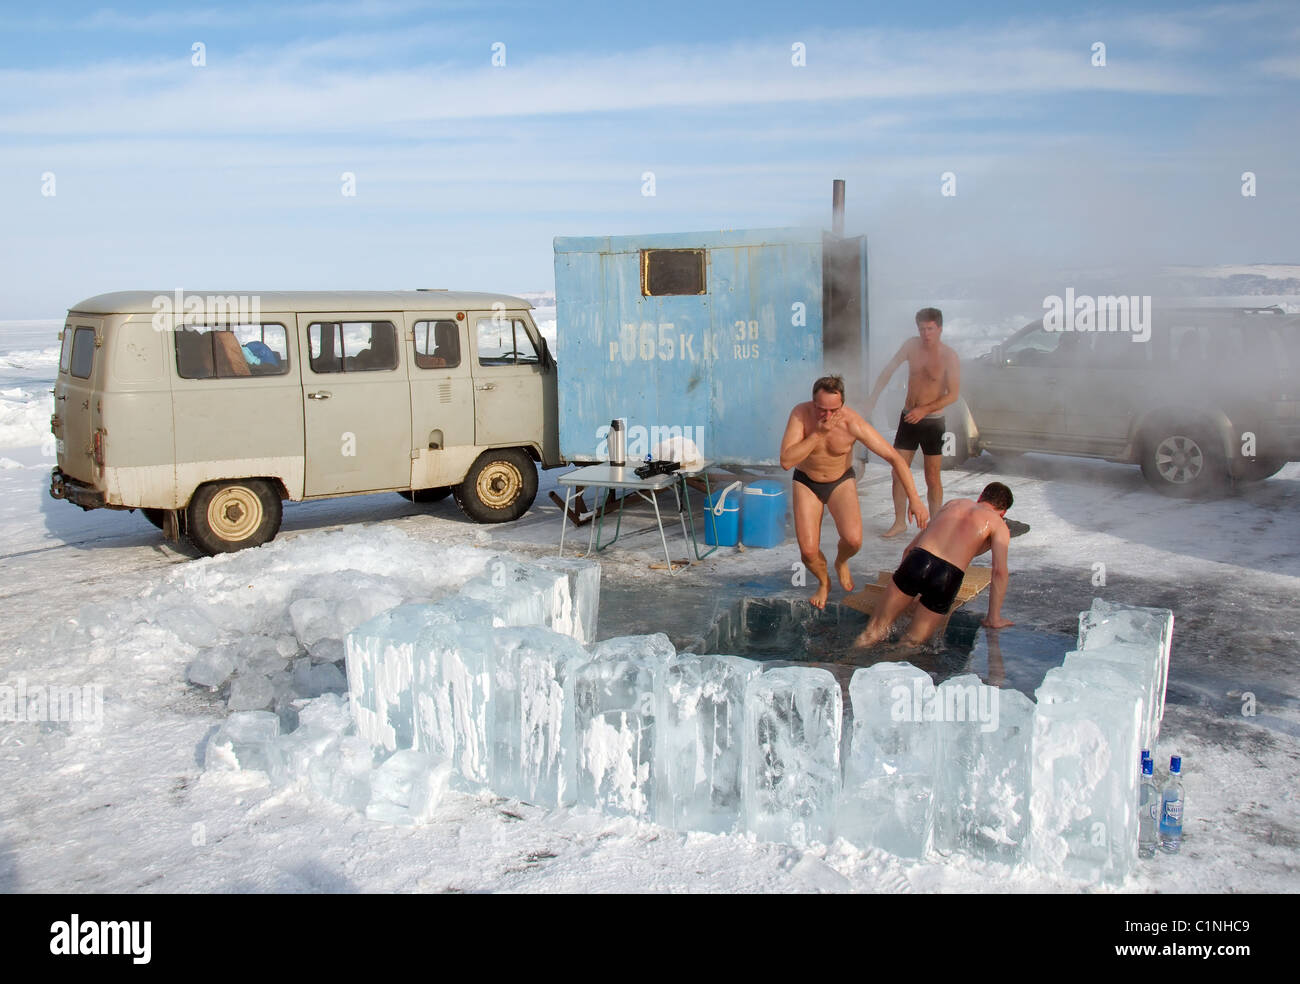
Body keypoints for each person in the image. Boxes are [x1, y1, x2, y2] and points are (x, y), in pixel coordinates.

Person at [780, 375, 929, 610]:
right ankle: (824, 581)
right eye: (821, 410)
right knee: (808, 552)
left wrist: (915, 499)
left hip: (840, 481)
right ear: (813, 403)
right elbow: (786, 461)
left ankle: (841, 561)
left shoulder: (852, 422)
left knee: (853, 540)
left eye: (833, 410)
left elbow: (894, 458)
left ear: (842, 405)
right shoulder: (800, 414)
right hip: (806, 481)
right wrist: (817, 433)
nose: (827, 416)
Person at [854, 482, 1014, 647]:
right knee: (912, 642)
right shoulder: (998, 524)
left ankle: (846, 665)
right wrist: (993, 618)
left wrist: (906, 586)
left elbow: (909, 549)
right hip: (948, 576)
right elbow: (999, 572)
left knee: (873, 631)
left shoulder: (954, 504)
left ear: (981, 496)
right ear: (1003, 512)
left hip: (918, 560)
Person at [863, 307, 962, 537]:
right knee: (897, 471)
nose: (925, 333)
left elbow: (953, 394)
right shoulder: (911, 346)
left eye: (930, 329)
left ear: (939, 329)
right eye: (921, 329)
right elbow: (888, 371)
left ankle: (935, 526)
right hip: (909, 417)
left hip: (933, 421)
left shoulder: (949, 356)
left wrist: (924, 409)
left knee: (932, 476)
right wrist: (873, 399)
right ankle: (899, 522)